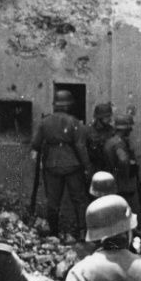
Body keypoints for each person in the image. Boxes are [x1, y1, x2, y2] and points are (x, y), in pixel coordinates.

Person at [30, 89, 91, 239]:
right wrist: (87, 167)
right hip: (72, 165)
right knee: (79, 200)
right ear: (68, 105)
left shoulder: (45, 122)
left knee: (53, 201)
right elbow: (81, 147)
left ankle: (54, 233)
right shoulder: (75, 122)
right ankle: (82, 233)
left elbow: (35, 145)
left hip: (52, 164)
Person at [86, 103, 115, 173]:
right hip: (93, 167)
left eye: (109, 116)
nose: (110, 119)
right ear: (100, 117)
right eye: (107, 117)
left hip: (107, 167)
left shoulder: (111, 130)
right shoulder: (88, 130)